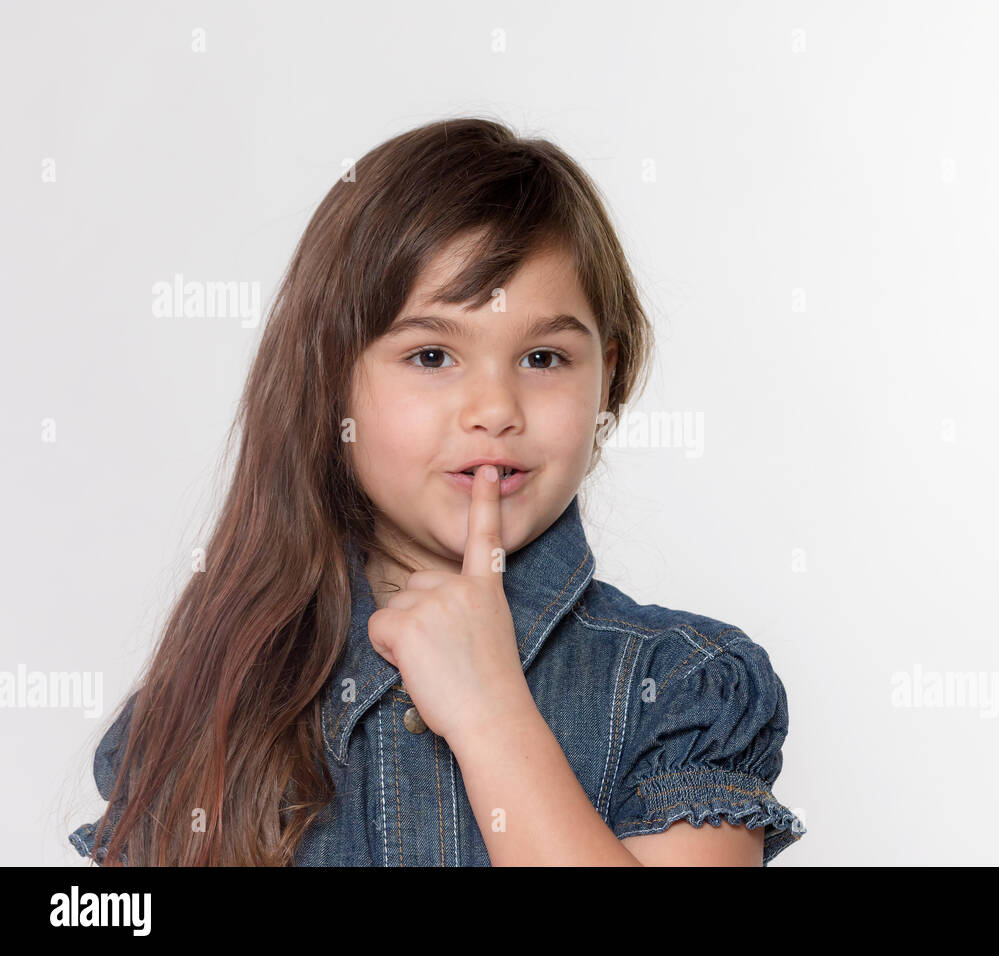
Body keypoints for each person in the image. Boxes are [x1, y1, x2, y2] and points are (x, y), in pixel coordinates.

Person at [67, 117, 806, 866]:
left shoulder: (681, 687)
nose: (495, 408)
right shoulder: (204, 713)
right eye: (431, 355)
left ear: (606, 379)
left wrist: (489, 711)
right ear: (332, 380)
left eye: (544, 357)